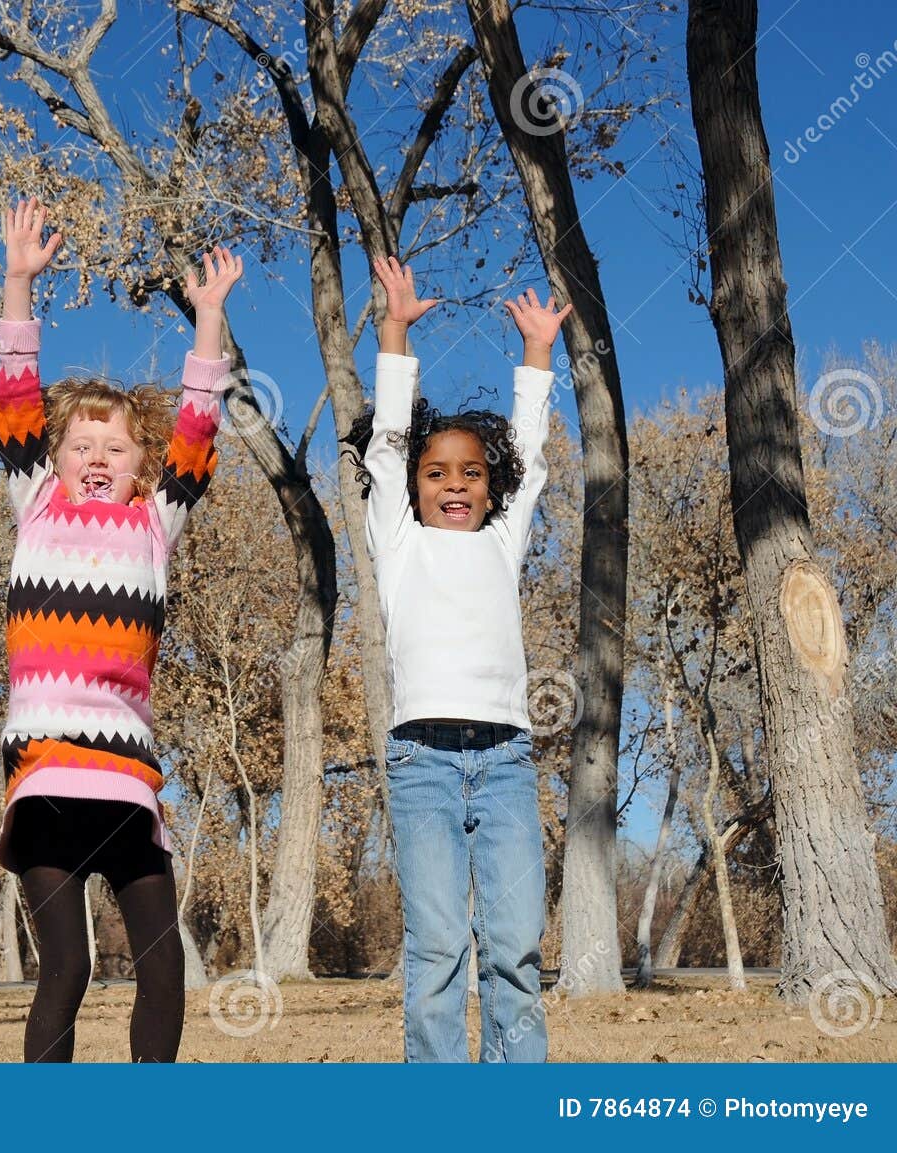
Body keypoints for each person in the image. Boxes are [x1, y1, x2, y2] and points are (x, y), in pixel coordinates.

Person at [0, 197, 241, 1062]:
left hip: (126, 780)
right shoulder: (35, 503)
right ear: (54, 460)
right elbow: (16, 393)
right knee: (68, 963)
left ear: (145, 467)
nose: (97, 456)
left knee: (164, 965)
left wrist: (208, 318)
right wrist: (20, 281)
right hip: (49, 767)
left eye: (118, 446)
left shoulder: (156, 524)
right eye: (81, 443)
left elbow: (201, 426)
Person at [344, 255, 572, 1062]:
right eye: (436, 472)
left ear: (489, 486)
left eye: (470, 473)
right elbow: (386, 444)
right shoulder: (398, 542)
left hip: (507, 760)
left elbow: (534, 453)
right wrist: (397, 331)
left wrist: (537, 354)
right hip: (423, 764)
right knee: (438, 948)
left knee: (513, 946)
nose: (453, 483)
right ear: (412, 486)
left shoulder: (503, 540)